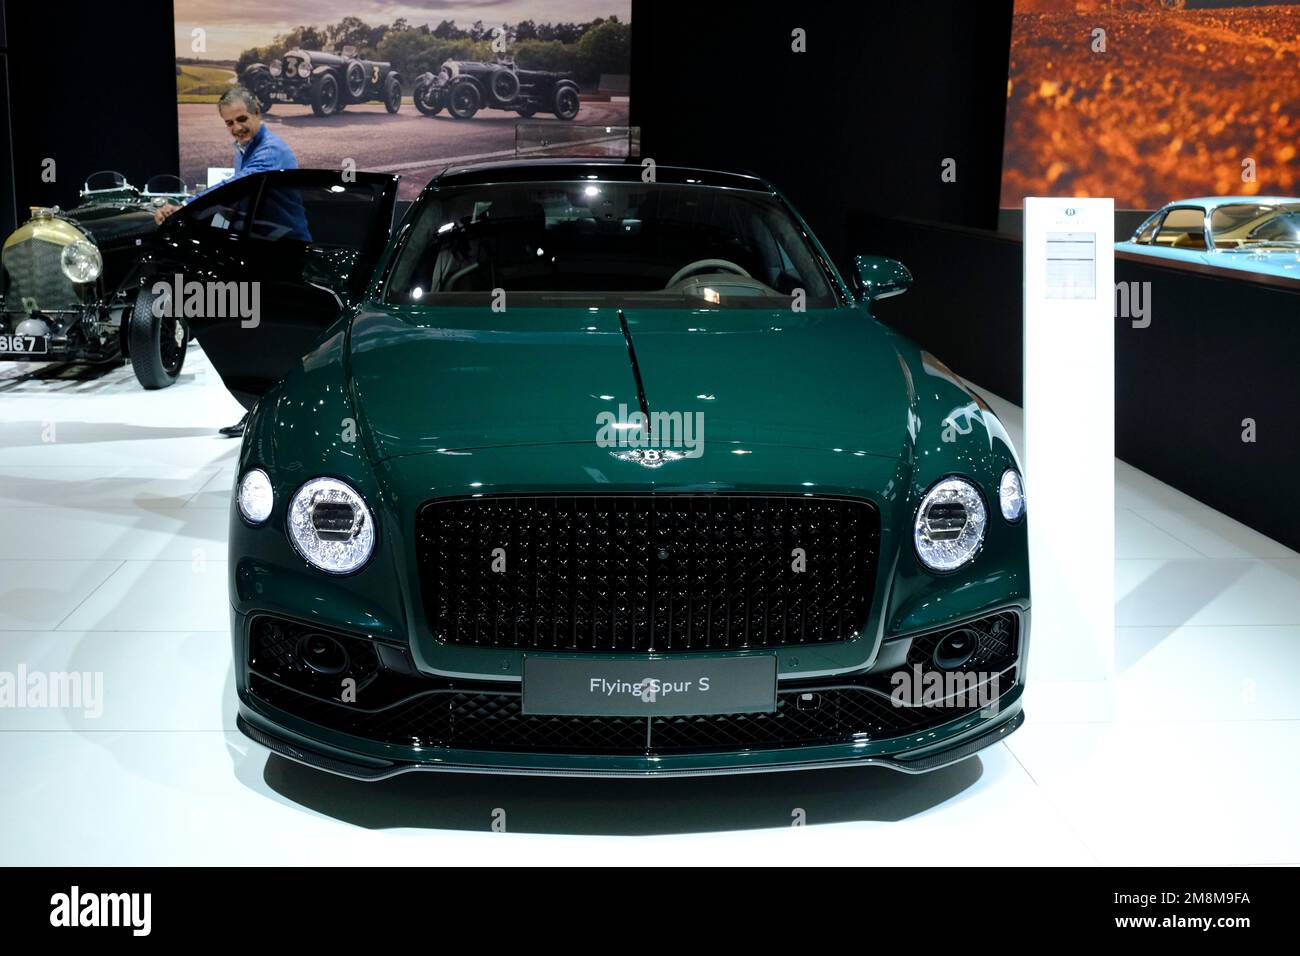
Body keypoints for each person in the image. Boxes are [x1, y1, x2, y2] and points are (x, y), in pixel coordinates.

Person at [157, 86, 307, 436]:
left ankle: (280, 415)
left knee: (277, 340)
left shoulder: (270, 151)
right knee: (256, 338)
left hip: (285, 254)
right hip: (261, 251)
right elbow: (235, 200)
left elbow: (237, 187)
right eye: (229, 123)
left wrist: (184, 209)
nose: (237, 127)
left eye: (242, 119)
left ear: (258, 114)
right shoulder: (244, 147)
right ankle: (258, 410)